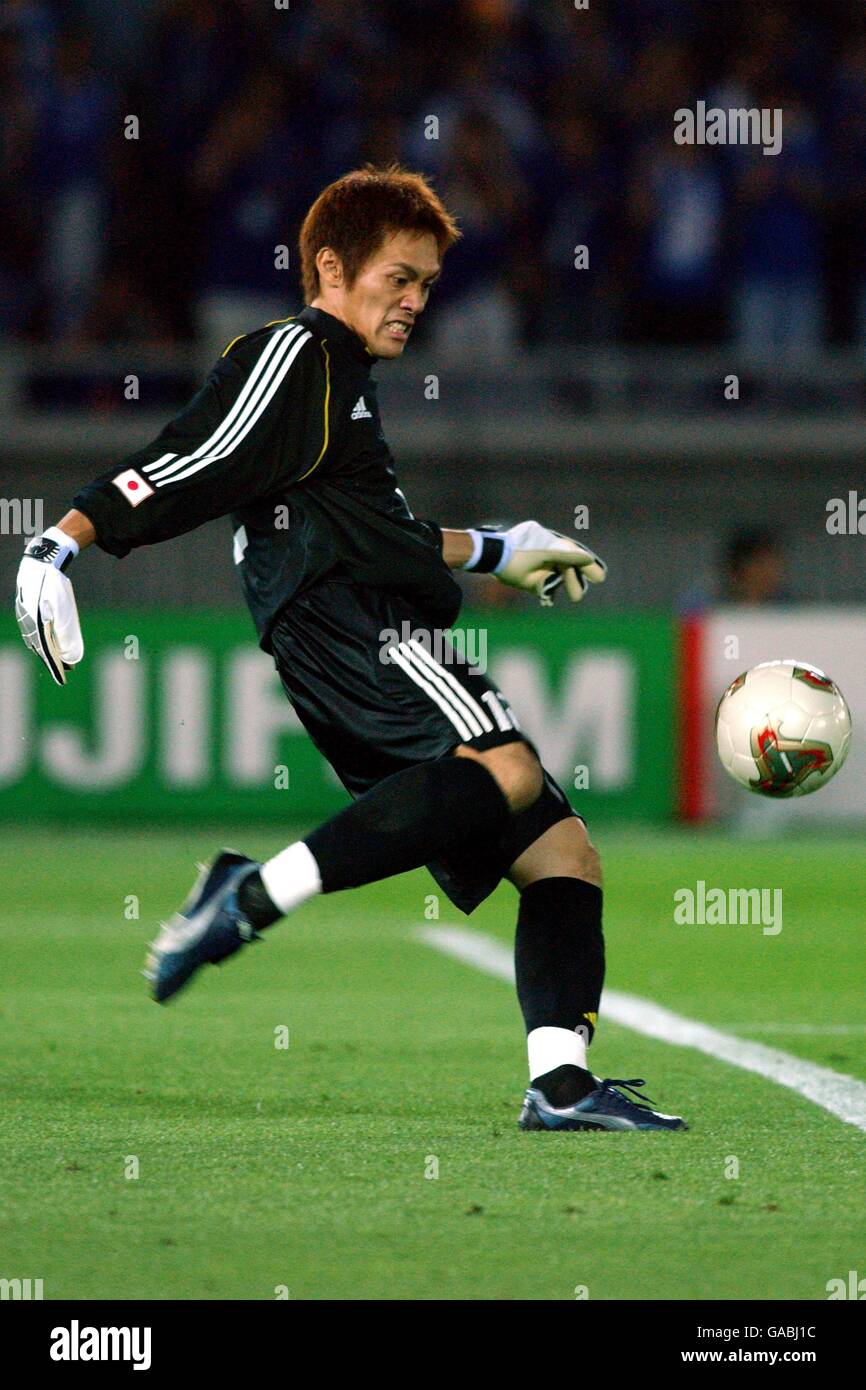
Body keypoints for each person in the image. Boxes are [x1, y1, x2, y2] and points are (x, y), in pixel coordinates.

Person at [14, 165, 685, 1133]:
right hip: (361, 625)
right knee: (502, 765)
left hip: (355, 613)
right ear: (330, 267)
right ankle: (251, 895)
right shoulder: (297, 355)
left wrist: (504, 547)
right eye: (398, 278)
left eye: (424, 286)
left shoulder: (341, 393)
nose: (415, 303)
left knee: (560, 857)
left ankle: (560, 1082)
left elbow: (385, 528)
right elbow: (190, 458)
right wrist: (60, 541)